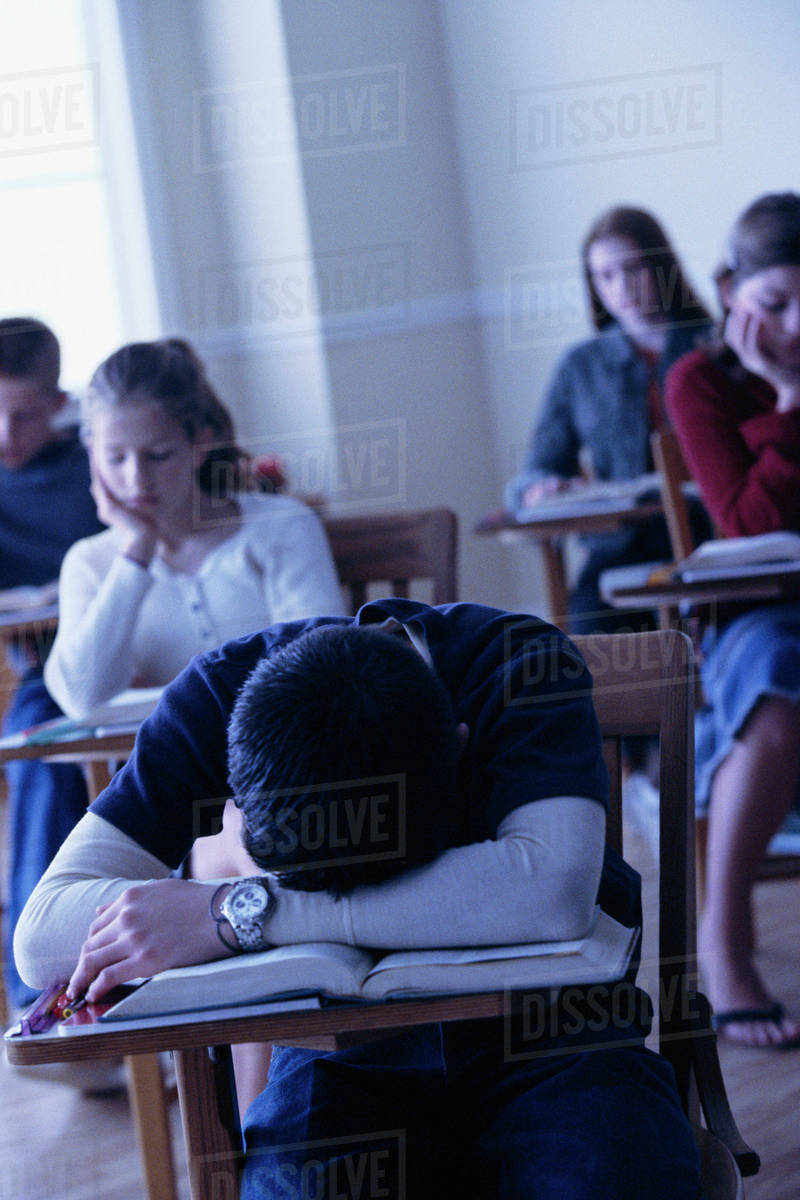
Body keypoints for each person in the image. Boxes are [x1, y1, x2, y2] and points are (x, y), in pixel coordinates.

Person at [15, 599, 701, 1199]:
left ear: (459, 749)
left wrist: (237, 912)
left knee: (612, 1173)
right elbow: (41, 939)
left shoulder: (518, 663)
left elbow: (549, 894)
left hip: (554, 1040)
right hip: (338, 1059)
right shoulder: (217, 699)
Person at [43, 337, 344, 723]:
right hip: (169, 773)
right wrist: (136, 554)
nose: (136, 479)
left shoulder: (282, 526)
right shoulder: (90, 562)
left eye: (158, 455)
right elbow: (81, 698)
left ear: (199, 443)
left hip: (290, 754)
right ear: (90, 450)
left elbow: (321, 667)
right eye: (115, 458)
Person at [666, 191, 800, 1050]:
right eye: (777, 304)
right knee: (781, 684)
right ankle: (725, 944)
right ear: (730, 292)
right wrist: (792, 400)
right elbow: (748, 523)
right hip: (759, 614)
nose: (795, 327)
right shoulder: (699, 381)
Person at [506, 205, 713, 635]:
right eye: (604, 276)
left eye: (632, 269)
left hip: (711, 537)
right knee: (585, 626)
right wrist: (542, 487)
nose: (621, 289)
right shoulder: (580, 366)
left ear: (660, 266)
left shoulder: (714, 346)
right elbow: (535, 471)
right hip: (622, 549)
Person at [0, 316, 103, 1011]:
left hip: (120, 661)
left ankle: (48, 981)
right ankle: (43, 980)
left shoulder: (98, 465)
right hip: (39, 669)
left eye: (24, 414)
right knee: (41, 732)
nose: (7, 435)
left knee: (48, 733)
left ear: (59, 402)